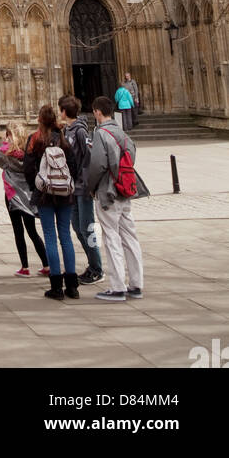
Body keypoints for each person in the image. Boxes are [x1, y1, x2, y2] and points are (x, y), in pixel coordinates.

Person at [88, 95, 145, 303]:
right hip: (125, 191)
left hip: (107, 193)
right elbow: (132, 154)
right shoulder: (122, 133)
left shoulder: (100, 134)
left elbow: (97, 166)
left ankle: (117, 287)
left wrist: (91, 187)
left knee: (111, 236)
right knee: (130, 237)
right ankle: (136, 284)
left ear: (97, 112)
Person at [23, 104, 79, 301]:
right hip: (65, 195)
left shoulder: (35, 140)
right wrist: (66, 183)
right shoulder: (63, 139)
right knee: (65, 236)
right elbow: (73, 165)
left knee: (50, 237)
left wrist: (36, 187)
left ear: (39, 119)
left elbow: (28, 169)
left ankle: (56, 285)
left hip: (45, 195)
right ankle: (72, 286)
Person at [58, 94, 104, 285]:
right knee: (77, 227)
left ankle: (97, 268)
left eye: (60, 109)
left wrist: (89, 184)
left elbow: (89, 157)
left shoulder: (80, 132)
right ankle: (92, 264)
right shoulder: (67, 130)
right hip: (72, 188)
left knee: (88, 228)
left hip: (83, 188)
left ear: (64, 111)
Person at [0, 121, 49, 276]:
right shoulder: (29, 151)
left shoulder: (5, 151)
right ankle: (46, 265)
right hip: (27, 195)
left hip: (12, 194)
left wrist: (6, 144)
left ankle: (25, 267)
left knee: (18, 231)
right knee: (32, 231)